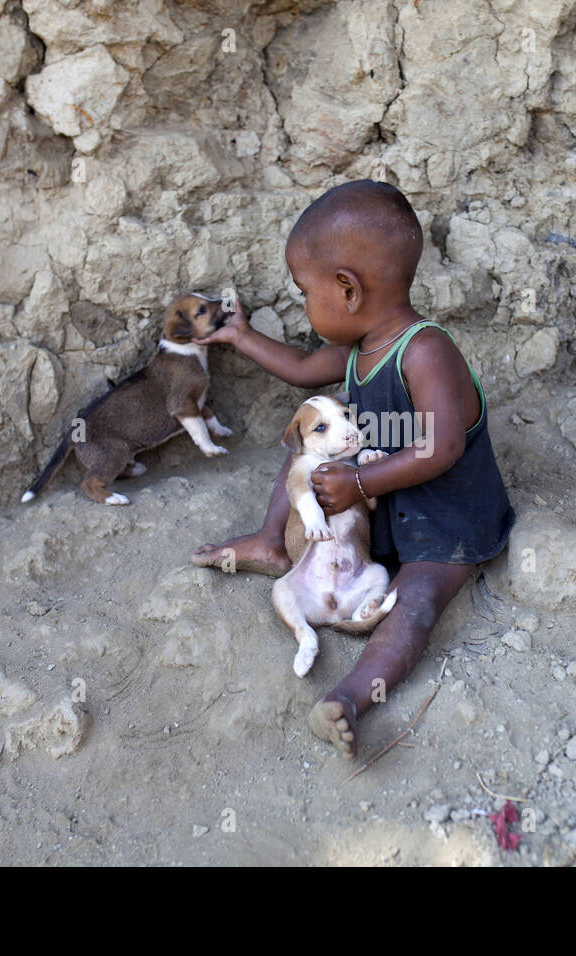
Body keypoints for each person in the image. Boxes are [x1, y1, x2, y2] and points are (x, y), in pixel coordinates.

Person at [192, 180, 514, 757]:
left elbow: (441, 449)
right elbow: (298, 368)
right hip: (381, 507)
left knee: (412, 604)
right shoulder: (356, 346)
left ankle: (349, 697)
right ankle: (272, 543)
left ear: (346, 289)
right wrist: (239, 335)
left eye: (303, 293)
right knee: (307, 453)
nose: (303, 305)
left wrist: (359, 482)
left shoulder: (425, 351)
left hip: (446, 524)